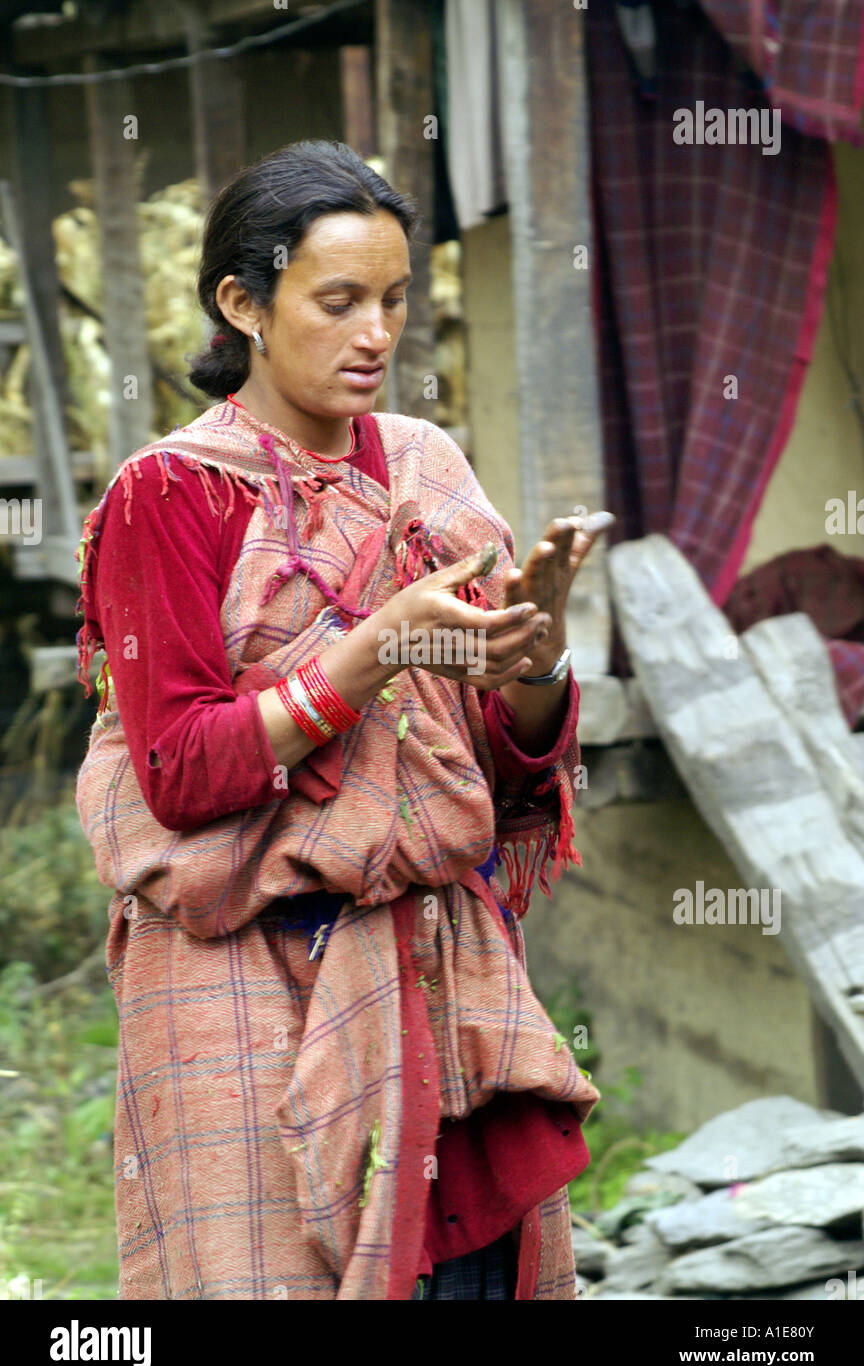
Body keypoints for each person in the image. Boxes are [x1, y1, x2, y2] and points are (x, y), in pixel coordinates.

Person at [74, 139, 609, 1301]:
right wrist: (365, 658)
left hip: (438, 970)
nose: (378, 333)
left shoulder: (426, 469)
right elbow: (177, 768)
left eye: (396, 300)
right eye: (339, 301)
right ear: (242, 303)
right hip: (241, 982)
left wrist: (535, 657)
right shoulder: (170, 495)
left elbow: (508, 775)